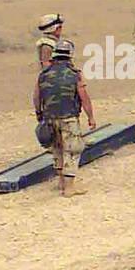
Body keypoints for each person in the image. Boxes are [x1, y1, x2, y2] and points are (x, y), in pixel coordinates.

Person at [33, 39, 94, 197]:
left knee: (57, 149)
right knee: (73, 150)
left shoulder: (44, 74)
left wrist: (39, 113)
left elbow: (36, 96)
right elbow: (84, 97)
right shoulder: (75, 74)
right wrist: (90, 117)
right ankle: (69, 187)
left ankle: (60, 182)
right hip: (69, 117)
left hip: (50, 118)